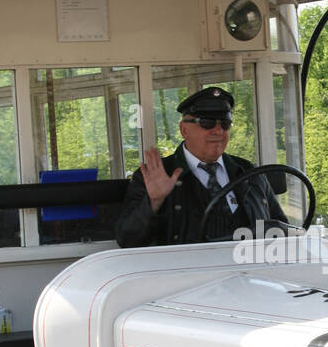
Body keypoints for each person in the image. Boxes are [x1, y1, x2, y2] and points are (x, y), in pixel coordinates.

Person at [116, 88, 288, 247]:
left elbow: (283, 232)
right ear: (184, 130)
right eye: (207, 123)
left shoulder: (250, 173)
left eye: (225, 124)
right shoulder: (155, 176)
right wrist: (154, 202)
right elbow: (127, 240)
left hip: (250, 274)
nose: (218, 130)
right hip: (187, 277)